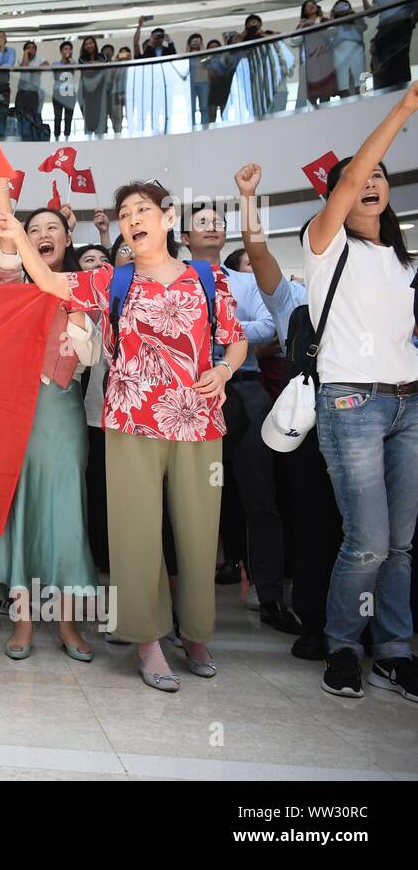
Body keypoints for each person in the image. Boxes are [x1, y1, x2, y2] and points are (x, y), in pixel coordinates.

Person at [0, 180, 247, 692]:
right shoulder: (113, 279)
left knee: (199, 535)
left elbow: (234, 341)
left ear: (168, 218)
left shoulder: (206, 277)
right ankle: (147, 641)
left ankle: (195, 635)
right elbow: (51, 284)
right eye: (126, 213)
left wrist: (223, 374)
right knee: (136, 536)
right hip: (130, 421)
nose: (133, 219)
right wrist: (19, 237)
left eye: (143, 210)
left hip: (198, 421)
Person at [304, 82, 418, 701]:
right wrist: (403, 109)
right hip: (352, 403)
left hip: (410, 403)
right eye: (357, 177)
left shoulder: (403, 262)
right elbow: (347, 185)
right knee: (368, 540)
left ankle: (394, 651)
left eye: (379, 176)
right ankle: (342, 644)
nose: (369, 183)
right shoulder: (325, 246)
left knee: (401, 543)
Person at [0, 204, 100, 662]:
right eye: (35, 230)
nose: (44, 235)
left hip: (63, 414)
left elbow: (88, 355)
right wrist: (7, 219)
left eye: (53, 229)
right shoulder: (14, 288)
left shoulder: (88, 287)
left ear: (68, 240)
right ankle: (24, 618)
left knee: (66, 510)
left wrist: (69, 302)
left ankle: (67, 622)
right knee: (20, 508)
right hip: (16, 414)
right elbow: (7, 261)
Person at [232, 163, 340, 660]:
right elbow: (257, 252)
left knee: (374, 532)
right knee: (314, 519)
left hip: (382, 415)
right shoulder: (292, 298)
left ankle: (381, 634)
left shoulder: (378, 281)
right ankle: (315, 623)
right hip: (310, 422)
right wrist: (250, 197)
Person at [181, 205, 297, 634]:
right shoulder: (173, 276)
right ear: (184, 236)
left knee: (260, 495)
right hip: (188, 390)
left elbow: (271, 328)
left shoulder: (248, 281)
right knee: (187, 496)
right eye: (202, 222)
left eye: (218, 222)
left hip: (244, 388)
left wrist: (218, 330)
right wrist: (233, 330)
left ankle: (270, 596)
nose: (212, 227)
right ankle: (182, 601)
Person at [370, 0, 417, 90]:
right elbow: (370, 13)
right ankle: (382, 90)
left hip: (400, 28)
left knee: (398, 59)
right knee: (379, 62)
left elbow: (416, 8)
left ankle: (401, 90)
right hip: (383, 30)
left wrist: (413, 21)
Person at [293, 0, 335, 106]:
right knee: (311, 95)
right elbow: (294, 42)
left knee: (325, 94)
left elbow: (332, 33)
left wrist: (314, 24)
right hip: (310, 63)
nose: (312, 6)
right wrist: (301, 27)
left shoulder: (325, 20)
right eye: (308, 6)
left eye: (313, 4)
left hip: (325, 60)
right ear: (304, 11)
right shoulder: (302, 24)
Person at [329, 0, 368, 98]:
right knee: (343, 84)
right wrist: (333, 16)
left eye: (345, 6)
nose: (342, 9)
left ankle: (363, 101)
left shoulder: (356, 19)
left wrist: (354, 15)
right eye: (339, 7)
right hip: (339, 53)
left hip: (357, 51)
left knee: (359, 81)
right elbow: (329, 32)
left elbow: (363, 27)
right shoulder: (334, 23)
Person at [77, 36, 107, 137]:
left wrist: (93, 64)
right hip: (87, 91)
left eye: (91, 43)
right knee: (88, 116)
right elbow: (85, 67)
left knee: (101, 116)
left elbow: (105, 64)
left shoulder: (103, 56)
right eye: (86, 44)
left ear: (95, 44)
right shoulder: (82, 58)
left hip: (100, 90)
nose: (88, 45)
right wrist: (95, 64)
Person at [51, 40, 76, 140]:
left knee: (68, 117)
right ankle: (56, 138)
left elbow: (74, 66)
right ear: (61, 51)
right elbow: (56, 75)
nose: (67, 51)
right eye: (65, 49)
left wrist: (69, 59)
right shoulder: (55, 64)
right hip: (58, 92)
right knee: (57, 117)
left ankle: (67, 138)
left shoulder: (73, 62)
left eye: (69, 49)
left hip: (70, 93)